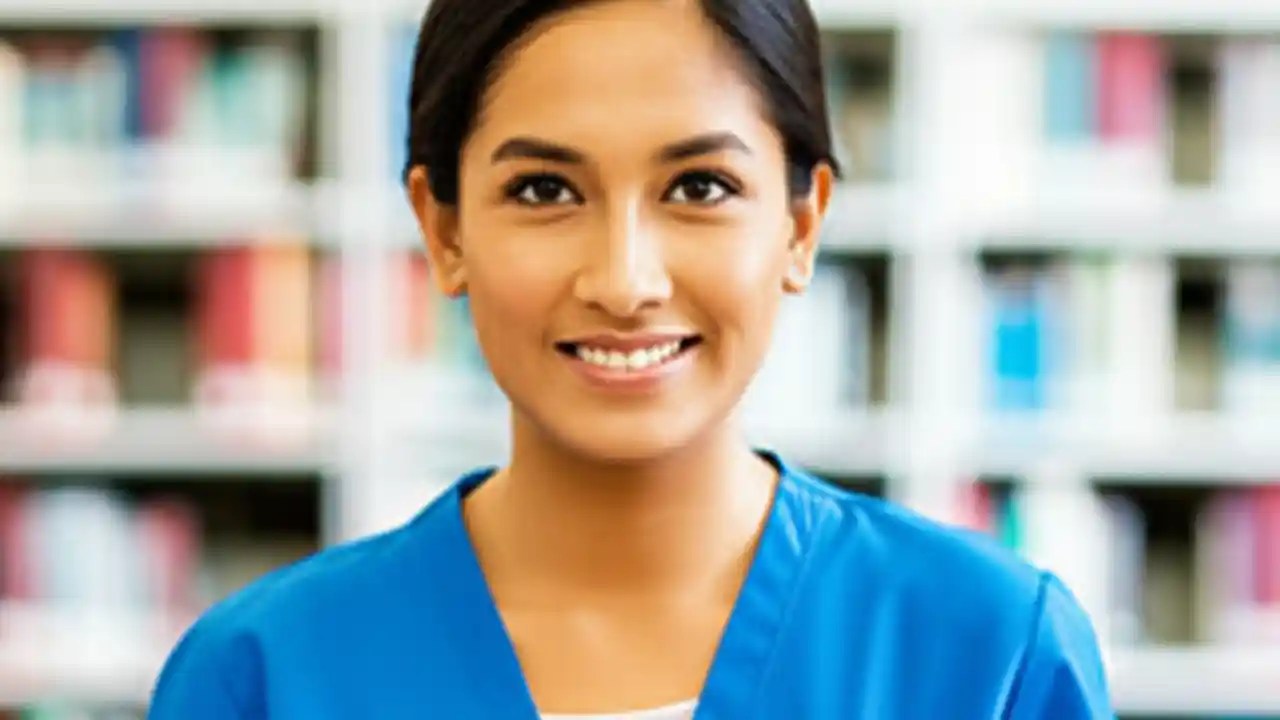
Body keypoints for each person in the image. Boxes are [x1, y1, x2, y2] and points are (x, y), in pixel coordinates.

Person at [149, 0, 1113, 718]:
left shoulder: (991, 656)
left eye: (698, 185)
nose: (623, 279)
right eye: (542, 191)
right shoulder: (263, 677)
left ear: (801, 223)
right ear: (442, 229)